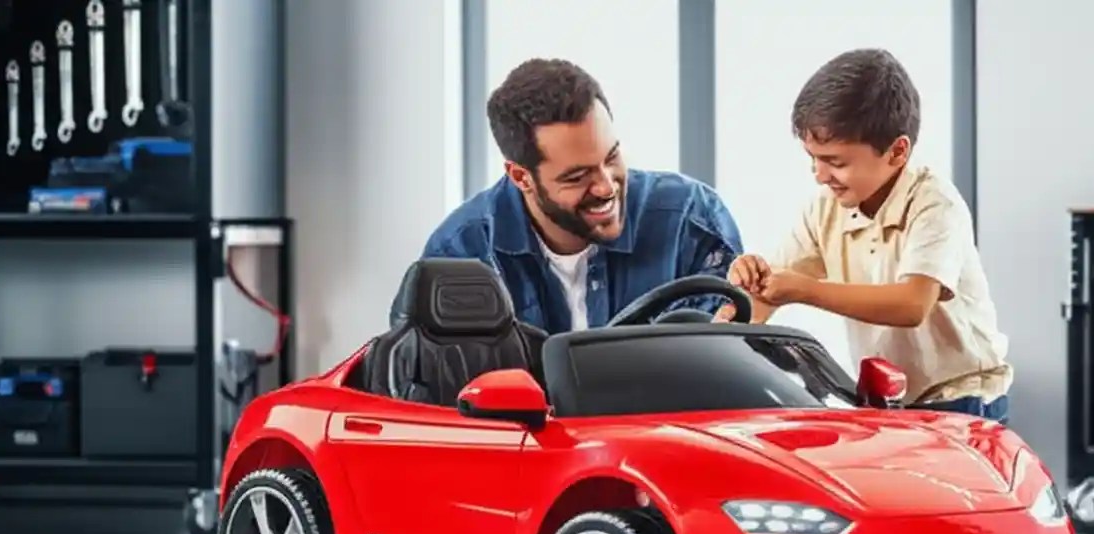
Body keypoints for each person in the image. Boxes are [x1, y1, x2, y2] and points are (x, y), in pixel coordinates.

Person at [720, 48, 1012, 423]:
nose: (820, 175)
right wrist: (743, 296)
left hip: (963, 402)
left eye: (836, 162)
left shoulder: (935, 205)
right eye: (813, 158)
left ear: (897, 152)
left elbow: (912, 305)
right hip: (890, 404)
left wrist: (802, 290)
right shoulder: (824, 208)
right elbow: (769, 290)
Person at [395, 58, 744, 335]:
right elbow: (424, 393)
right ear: (521, 177)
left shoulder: (692, 221)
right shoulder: (459, 256)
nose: (606, 187)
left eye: (611, 157)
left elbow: (729, 366)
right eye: (577, 176)